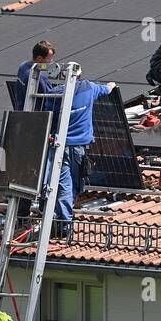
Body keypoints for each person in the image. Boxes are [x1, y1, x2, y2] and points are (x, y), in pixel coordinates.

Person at [55, 78, 117, 222]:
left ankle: (60, 218)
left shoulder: (56, 93)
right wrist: (112, 84)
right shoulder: (88, 88)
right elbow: (107, 89)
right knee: (73, 185)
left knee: (62, 184)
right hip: (78, 148)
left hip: (59, 147)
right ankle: (64, 222)